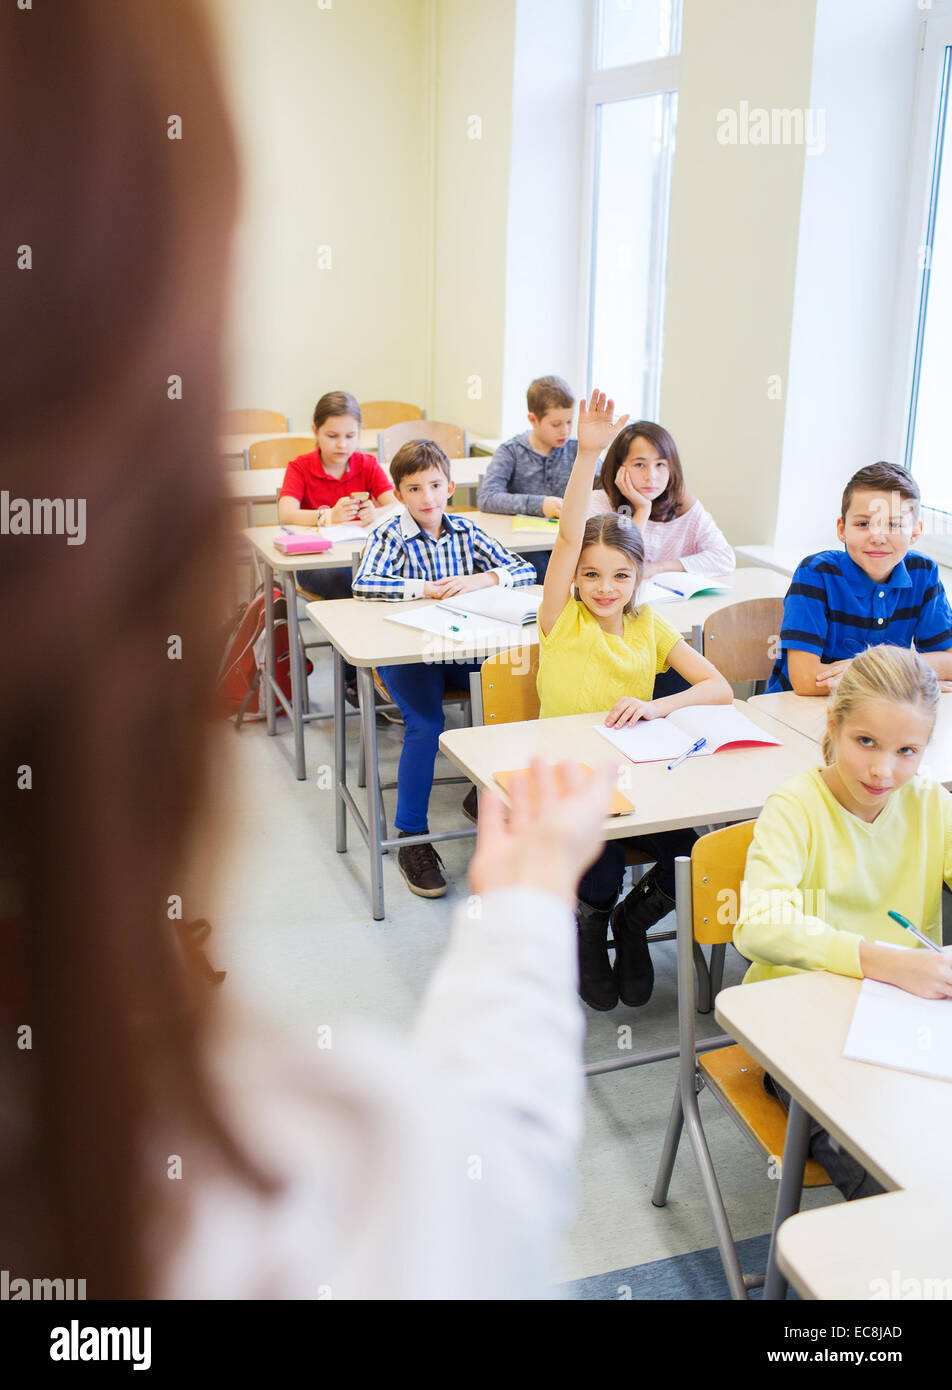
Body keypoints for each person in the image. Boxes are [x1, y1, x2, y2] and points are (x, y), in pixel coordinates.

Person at [0, 0, 617, 1301]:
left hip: (445, 641)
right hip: (386, 640)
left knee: (458, 700)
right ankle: (409, 823)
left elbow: (507, 572)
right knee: (426, 710)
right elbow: (477, 1180)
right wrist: (523, 905)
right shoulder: (293, 1180)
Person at [536, 391, 733, 1012]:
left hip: (636, 768)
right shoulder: (562, 620)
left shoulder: (649, 624)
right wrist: (588, 453)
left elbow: (718, 687)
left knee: (691, 854)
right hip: (570, 775)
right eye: (591, 575)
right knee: (597, 863)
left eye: (621, 576)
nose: (604, 588)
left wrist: (657, 707)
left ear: (639, 579)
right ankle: (590, 928)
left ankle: (630, 922)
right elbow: (570, 537)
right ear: (573, 580)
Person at [734, 644, 952, 1199]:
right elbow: (757, 926)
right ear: (833, 724)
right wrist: (888, 962)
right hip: (797, 1027)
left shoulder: (931, 802)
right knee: (890, 1176)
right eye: (865, 743)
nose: (883, 769)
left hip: (903, 1026)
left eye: (908, 750)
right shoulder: (796, 807)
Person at [352, 439, 536, 897]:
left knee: (510, 695)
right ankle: (411, 836)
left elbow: (522, 569)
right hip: (407, 655)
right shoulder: (388, 535)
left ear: (450, 486)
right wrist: (423, 589)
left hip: (458, 647)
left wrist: (482, 578)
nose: (427, 497)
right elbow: (364, 584)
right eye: (415, 489)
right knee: (428, 724)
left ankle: (487, 794)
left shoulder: (466, 530)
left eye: (435, 485)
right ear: (399, 494)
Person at [768, 461, 952, 695]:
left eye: (894, 524)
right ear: (842, 529)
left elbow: (949, 662)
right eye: (863, 524)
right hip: (792, 714)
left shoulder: (923, 573)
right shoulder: (816, 574)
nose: (878, 537)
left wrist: (881, 669)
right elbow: (806, 680)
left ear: (915, 531)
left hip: (877, 713)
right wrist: (906, 675)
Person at [278, 391, 395, 705]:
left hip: (358, 558)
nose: (342, 444)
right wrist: (325, 515)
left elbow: (395, 505)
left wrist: (377, 511)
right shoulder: (301, 467)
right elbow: (285, 513)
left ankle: (384, 673)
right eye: (332, 436)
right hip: (317, 564)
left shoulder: (366, 464)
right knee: (348, 586)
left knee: (379, 585)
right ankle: (354, 680)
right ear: (314, 431)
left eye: (350, 436)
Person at [587, 420, 735, 579]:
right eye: (639, 464)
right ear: (618, 467)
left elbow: (724, 558)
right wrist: (643, 510)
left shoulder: (683, 503)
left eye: (660, 465)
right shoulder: (600, 502)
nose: (651, 476)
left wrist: (658, 568)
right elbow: (616, 564)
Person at [476, 374, 578, 583]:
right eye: (556, 424)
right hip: (528, 544)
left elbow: (602, 490)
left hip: (568, 538)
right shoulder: (511, 451)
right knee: (542, 570)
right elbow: (487, 497)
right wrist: (540, 505)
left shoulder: (578, 450)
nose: (565, 430)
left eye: (569, 422)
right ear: (533, 419)